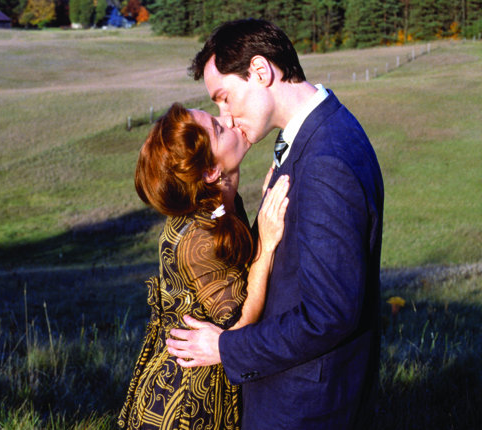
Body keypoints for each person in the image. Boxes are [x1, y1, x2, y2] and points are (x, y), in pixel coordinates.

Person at [166, 19, 385, 429]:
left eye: (225, 98)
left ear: (261, 72)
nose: (226, 117)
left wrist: (226, 347)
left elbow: (329, 315)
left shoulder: (326, 162)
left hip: (305, 404)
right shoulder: (319, 136)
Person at [118, 102, 289, 429]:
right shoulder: (200, 239)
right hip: (188, 407)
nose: (230, 118)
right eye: (219, 128)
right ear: (211, 172)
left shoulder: (214, 206)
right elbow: (238, 328)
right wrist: (266, 247)